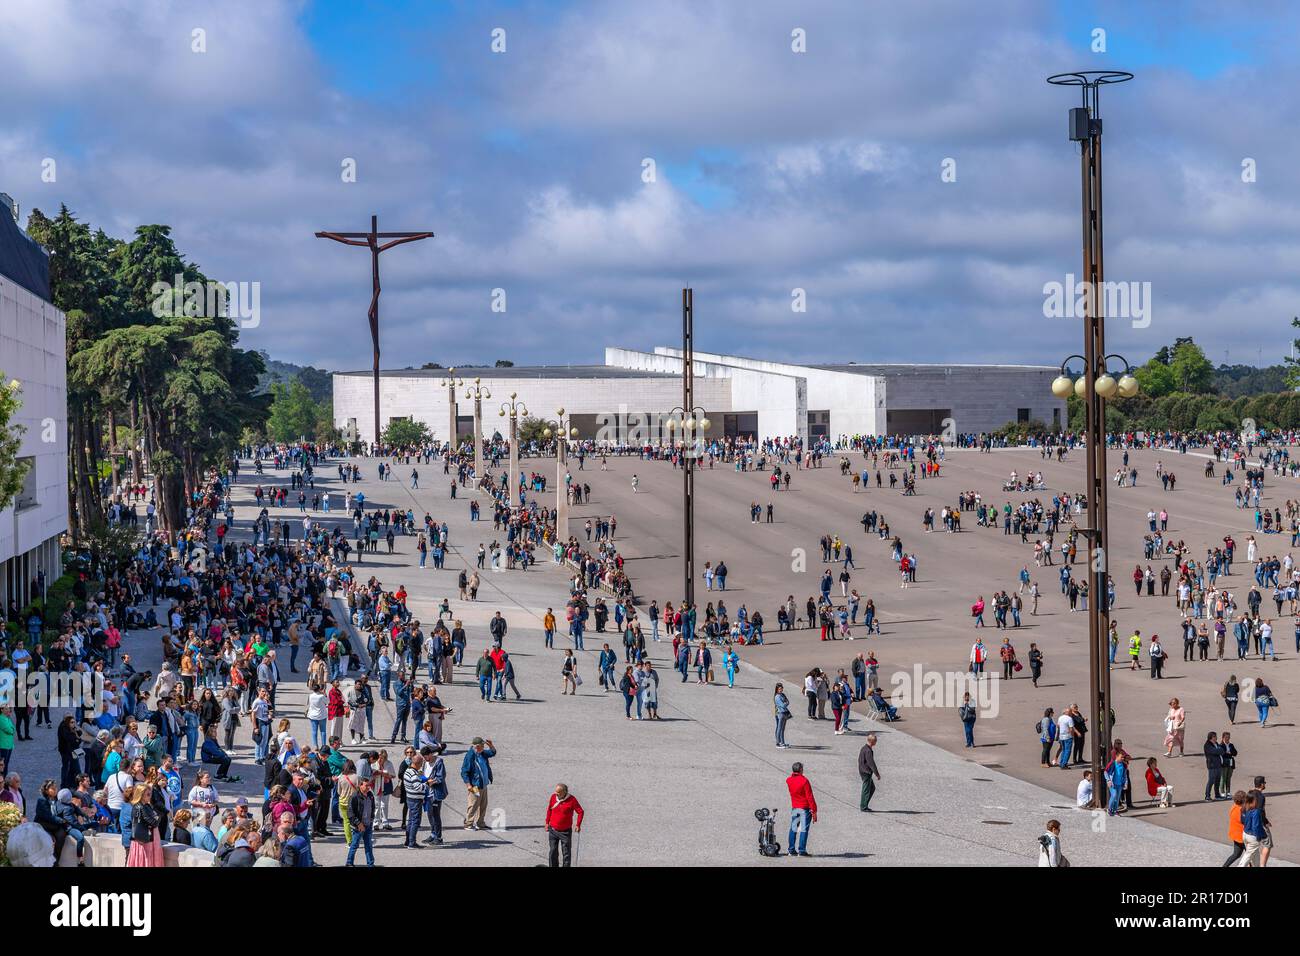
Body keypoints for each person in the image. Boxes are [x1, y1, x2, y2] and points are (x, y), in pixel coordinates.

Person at [544, 782, 584, 867]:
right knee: (553, 852)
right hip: (553, 830)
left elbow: (580, 812)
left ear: (564, 792)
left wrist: (578, 825)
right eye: (556, 791)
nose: (556, 794)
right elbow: (549, 809)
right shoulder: (553, 797)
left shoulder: (572, 800)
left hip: (565, 832)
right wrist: (547, 823)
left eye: (558, 792)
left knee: (566, 854)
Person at [460, 736, 496, 831]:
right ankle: (468, 824)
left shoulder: (482, 753)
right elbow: (464, 771)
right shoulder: (470, 756)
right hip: (475, 785)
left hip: (483, 784)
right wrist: (468, 785)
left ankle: (480, 823)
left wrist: (491, 746)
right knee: (474, 804)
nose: (484, 747)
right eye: (482, 746)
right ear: (476, 746)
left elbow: (492, 753)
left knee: (483, 804)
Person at [785, 762, 817, 857]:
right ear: (800, 770)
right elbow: (809, 797)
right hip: (804, 808)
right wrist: (814, 809)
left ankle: (791, 850)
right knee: (803, 830)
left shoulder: (789, 780)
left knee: (793, 829)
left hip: (795, 808)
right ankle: (801, 850)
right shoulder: (804, 781)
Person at [345, 777, 376, 867]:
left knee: (369, 846)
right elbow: (350, 812)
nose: (368, 787)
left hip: (368, 825)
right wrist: (358, 823)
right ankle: (349, 862)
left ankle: (370, 864)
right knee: (354, 845)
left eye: (369, 785)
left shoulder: (370, 795)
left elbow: (373, 807)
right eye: (366, 785)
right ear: (360, 786)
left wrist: (371, 819)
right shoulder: (354, 796)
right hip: (359, 827)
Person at [858, 734, 881, 811]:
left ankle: (865, 804)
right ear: (872, 742)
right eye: (875, 741)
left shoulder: (864, 748)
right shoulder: (868, 751)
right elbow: (871, 763)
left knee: (871, 788)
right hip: (866, 772)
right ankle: (863, 806)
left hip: (863, 770)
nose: (876, 742)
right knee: (866, 790)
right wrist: (877, 774)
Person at [1202, 732, 1224, 801]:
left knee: (1218, 781)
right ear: (1211, 737)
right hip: (1212, 766)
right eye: (1215, 736)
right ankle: (1207, 796)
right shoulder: (1207, 745)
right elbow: (1215, 751)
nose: (1216, 738)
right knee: (1211, 781)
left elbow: (1222, 751)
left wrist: (1219, 750)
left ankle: (1217, 795)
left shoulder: (1216, 743)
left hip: (1219, 765)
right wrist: (1219, 750)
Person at [773, 683, 791, 749]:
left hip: (784, 713)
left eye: (781, 688)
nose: (781, 690)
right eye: (779, 689)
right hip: (780, 713)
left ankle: (782, 742)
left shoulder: (782, 695)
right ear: (777, 689)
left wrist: (786, 703)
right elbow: (783, 705)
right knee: (779, 728)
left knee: (783, 729)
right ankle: (778, 743)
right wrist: (786, 703)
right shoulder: (777, 696)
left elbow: (788, 701)